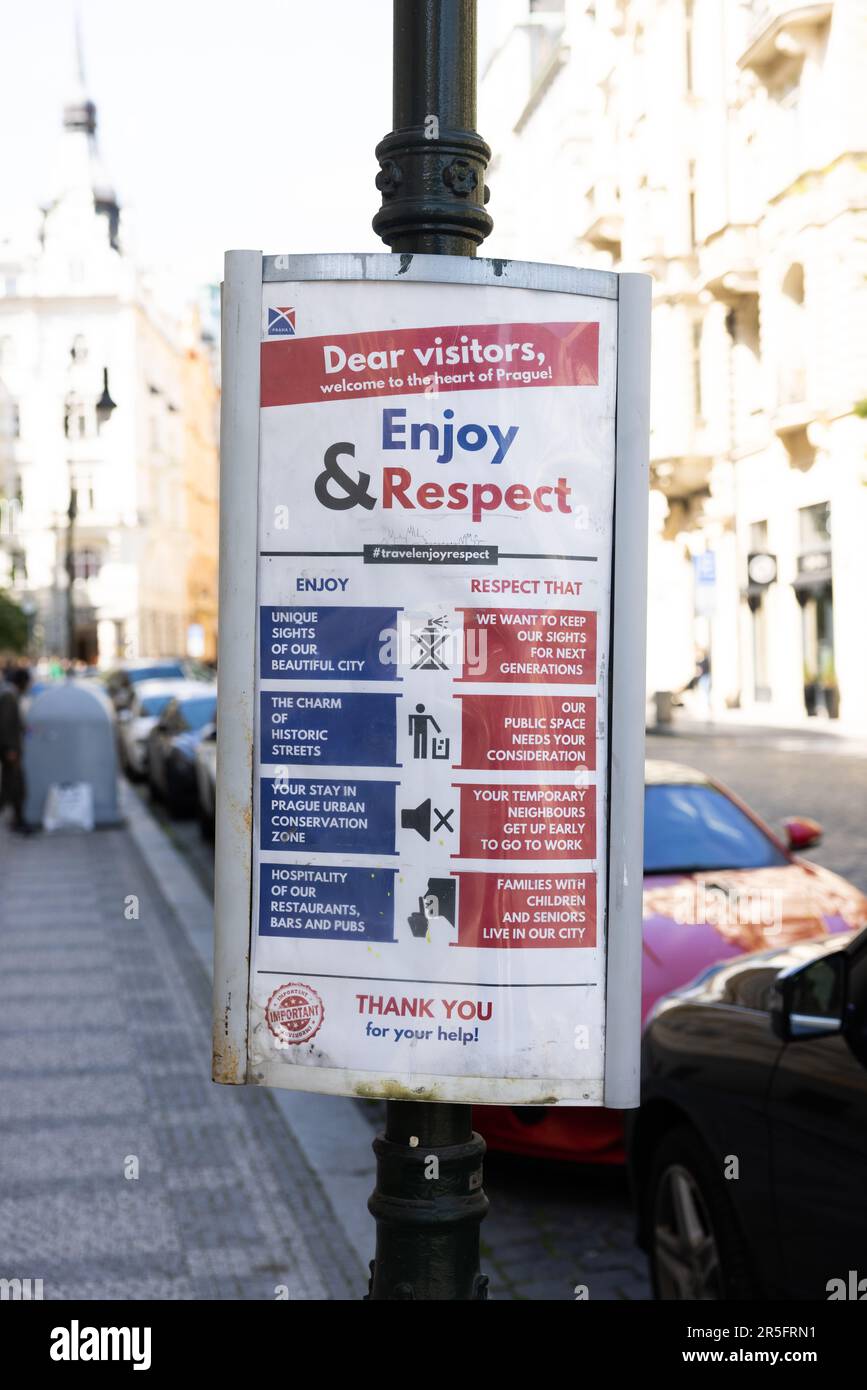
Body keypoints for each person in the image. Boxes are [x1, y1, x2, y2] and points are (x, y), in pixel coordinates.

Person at [0, 666, 31, 833]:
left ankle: (17, 819)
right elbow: (6, 724)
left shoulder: (10, 694)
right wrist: (10, 748)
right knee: (16, 785)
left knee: (9, 786)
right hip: (11, 751)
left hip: (11, 749)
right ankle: (18, 821)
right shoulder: (9, 696)